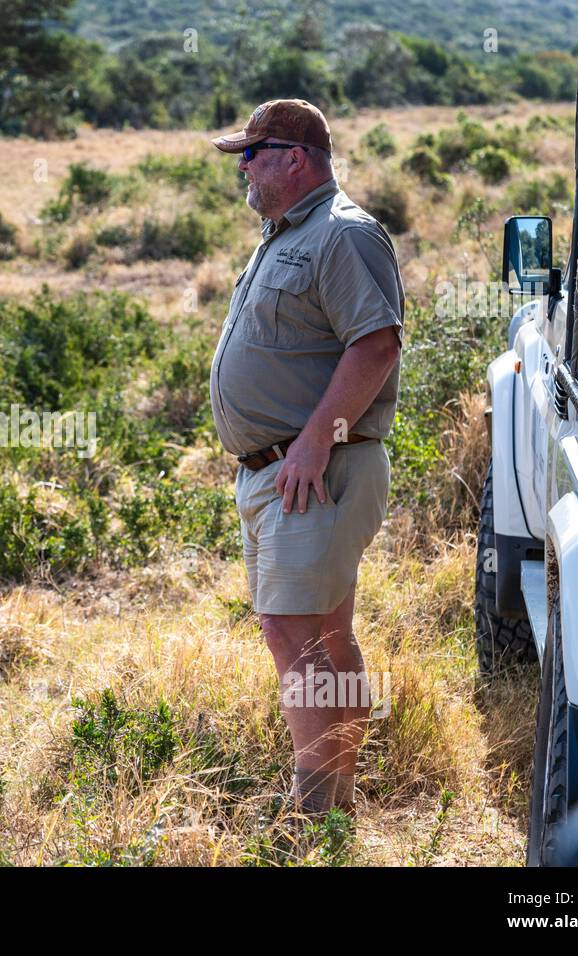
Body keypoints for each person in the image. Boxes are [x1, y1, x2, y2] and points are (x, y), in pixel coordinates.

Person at [209, 100, 404, 815]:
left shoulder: (344, 234)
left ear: (296, 158)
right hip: (280, 473)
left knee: (295, 638)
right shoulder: (285, 232)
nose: (242, 168)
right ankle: (336, 801)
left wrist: (316, 440)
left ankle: (314, 813)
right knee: (323, 634)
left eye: (252, 153)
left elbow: (377, 344)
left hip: (314, 473)